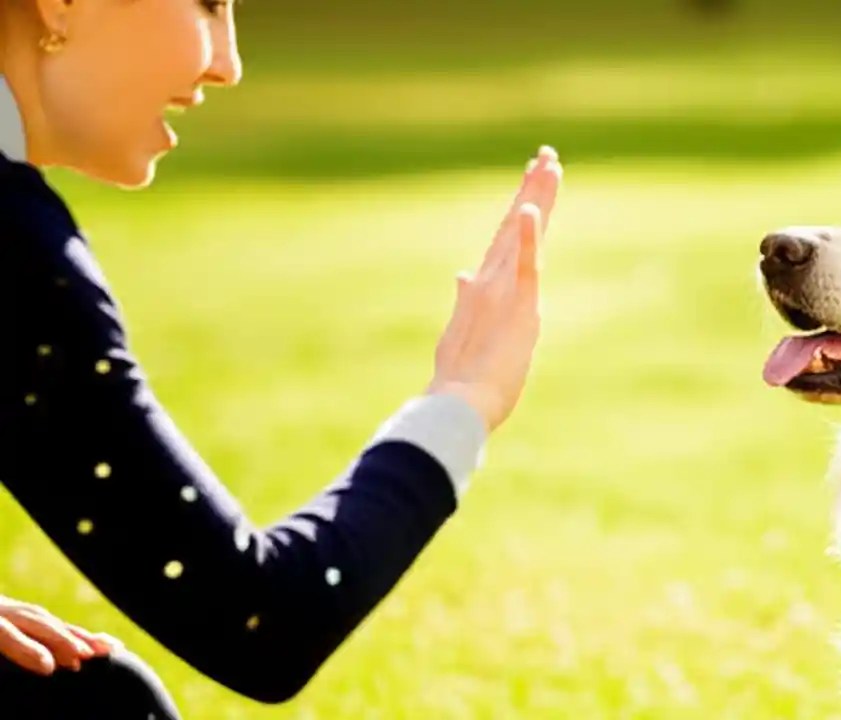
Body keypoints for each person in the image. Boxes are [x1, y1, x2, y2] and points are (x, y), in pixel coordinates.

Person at [0, 0, 563, 716]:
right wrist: (465, 396)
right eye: (206, 4)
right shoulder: (15, 247)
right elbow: (258, 622)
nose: (227, 63)